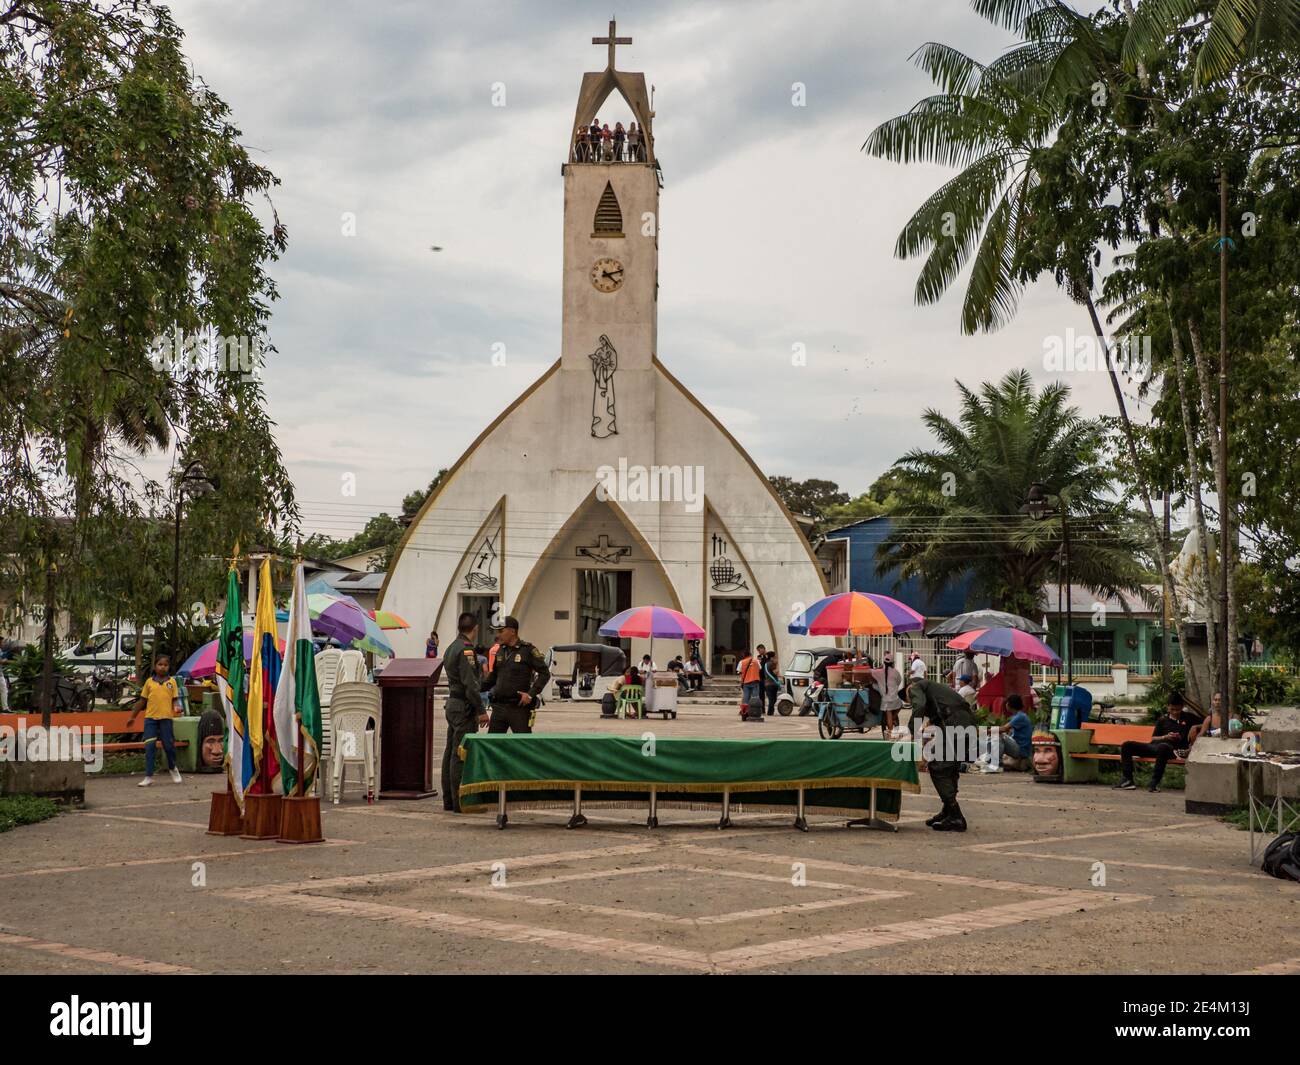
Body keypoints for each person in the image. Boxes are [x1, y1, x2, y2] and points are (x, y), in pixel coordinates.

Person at [907, 678, 976, 831]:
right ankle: (948, 811)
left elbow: (919, 706)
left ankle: (956, 816)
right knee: (950, 767)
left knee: (939, 767)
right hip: (965, 723)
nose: (911, 700)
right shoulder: (936, 691)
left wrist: (912, 730)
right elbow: (940, 713)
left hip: (957, 725)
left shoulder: (916, 686)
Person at [441, 613, 489, 812]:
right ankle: (462, 802)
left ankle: (449, 801)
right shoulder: (466, 650)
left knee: (450, 753)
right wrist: (481, 710)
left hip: (452, 704)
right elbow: (470, 685)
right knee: (461, 754)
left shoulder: (451, 647)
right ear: (475, 628)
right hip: (463, 706)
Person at [1113, 692, 1200, 792]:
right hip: (1154, 747)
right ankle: (1127, 780)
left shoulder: (1188, 718)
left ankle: (1154, 783)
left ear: (1182, 707)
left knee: (1163, 747)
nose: (1175, 712)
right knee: (1127, 745)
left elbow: (1207, 720)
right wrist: (1165, 736)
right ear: (1168, 707)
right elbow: (1154, 738)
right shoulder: (1162, 720)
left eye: (1178, 709)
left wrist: (1195, 727)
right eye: (1172, 709)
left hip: (1172, 751)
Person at [483, 616, 550, 734]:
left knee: (523, 745)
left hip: (518, 707)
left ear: (512, 631)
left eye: (501, 631)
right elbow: (493, 678)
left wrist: (530, 694)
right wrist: (475, 688)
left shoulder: (528, 650)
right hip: (499, 707)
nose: (498, 635)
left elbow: (544, 673)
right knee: (493, 744)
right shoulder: (500, 650)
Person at [128, 654, 183, 787]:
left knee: (168, 746)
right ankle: (148, 776)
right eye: (160, 664)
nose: (163, 667)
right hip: (150, 719)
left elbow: (175, 699)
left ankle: (172, 768)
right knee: (150, 746)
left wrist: (177, 707)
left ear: (168, 667)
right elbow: (142, 701)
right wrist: (133, 717)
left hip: (166, 719)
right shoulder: (149, 682)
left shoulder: (172, 682)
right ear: (155, 666)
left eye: (165, 665)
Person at [1000, 694, 1033, 771]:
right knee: (1000, 735)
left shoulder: (1020, 717)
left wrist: (986, 731)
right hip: (1019, 747)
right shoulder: (1019, 716)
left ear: (1009, 704)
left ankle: (997, 763)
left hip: (1021, 749)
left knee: (999, 736)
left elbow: (1004, 729)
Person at [875, 653, 904, 733]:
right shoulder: (896, 672)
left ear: (883, 662)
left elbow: (870, 672)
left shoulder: (879, 672)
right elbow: (899, 681)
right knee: (901, 705)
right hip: (895, 698)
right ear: (892, 663)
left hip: (885, 700)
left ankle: (890, 732)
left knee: (889, 714)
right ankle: (894, 718)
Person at [736, 648, 763, 721]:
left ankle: (745, 713)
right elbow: (760, 668)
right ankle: (755, 713)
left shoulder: (742, 662)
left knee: (746, 699)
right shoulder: (756, 661)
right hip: (755, 682)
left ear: (744, 655)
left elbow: (738, 672)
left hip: (746, 682)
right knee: (755, 698)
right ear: (750, 655)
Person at [762, 651, 781, 716]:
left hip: (767, 684)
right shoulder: (771, 664)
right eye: (775, 656)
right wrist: (777, 665)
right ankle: (770, 712)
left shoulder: (766, 664)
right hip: (772, 684)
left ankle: (770, 711)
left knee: (771, 699)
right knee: (773, 699)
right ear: (772, 657)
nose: (776, 657)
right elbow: (775, 672)